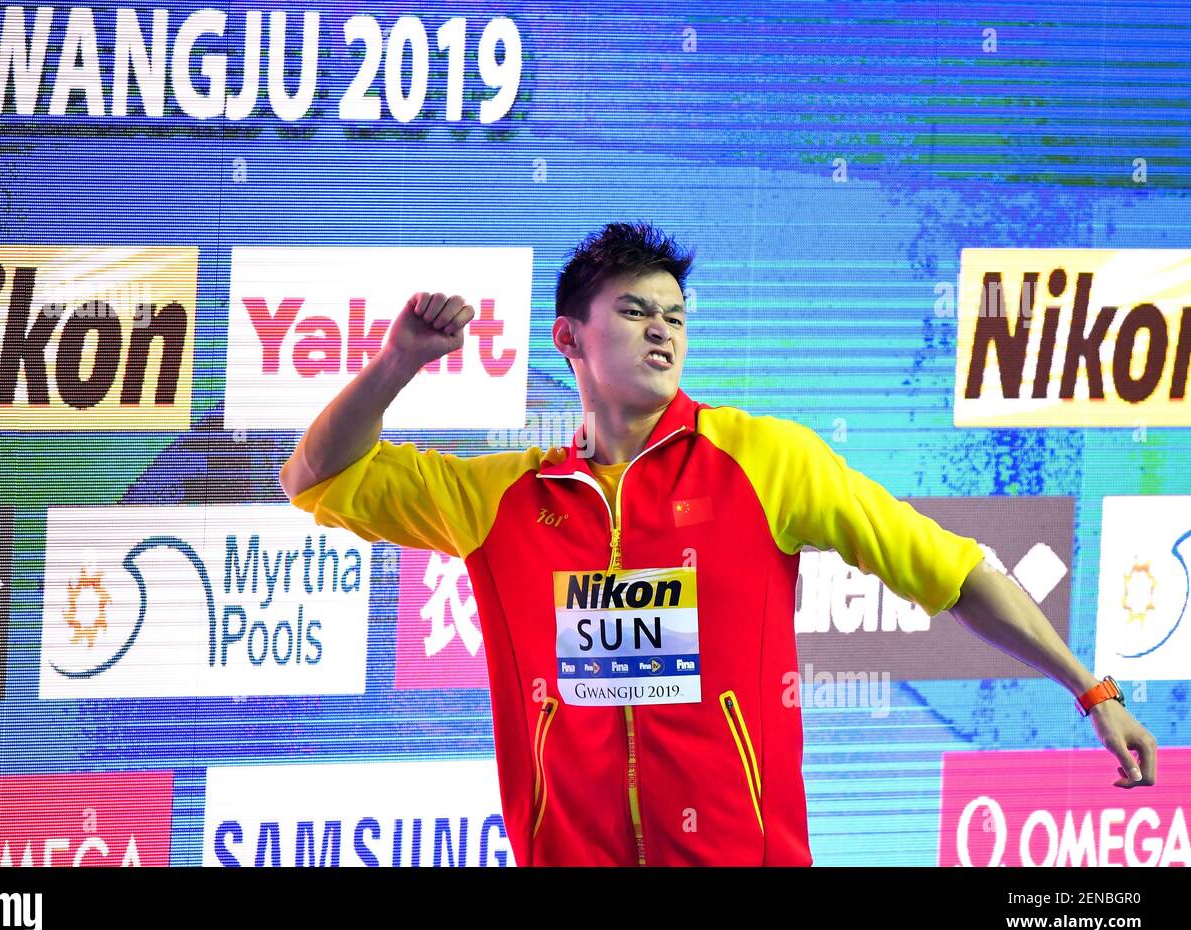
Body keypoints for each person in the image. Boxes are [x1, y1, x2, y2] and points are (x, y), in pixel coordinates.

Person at [278, 221, 1158, 866]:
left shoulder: (765, 460)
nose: (663, 329)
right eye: (633, 310)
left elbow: (953, 568)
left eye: (675, 313)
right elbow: (315, 477)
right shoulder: (499, 499)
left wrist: (1092, 690)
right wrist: (396, 364)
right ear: (568, 340)